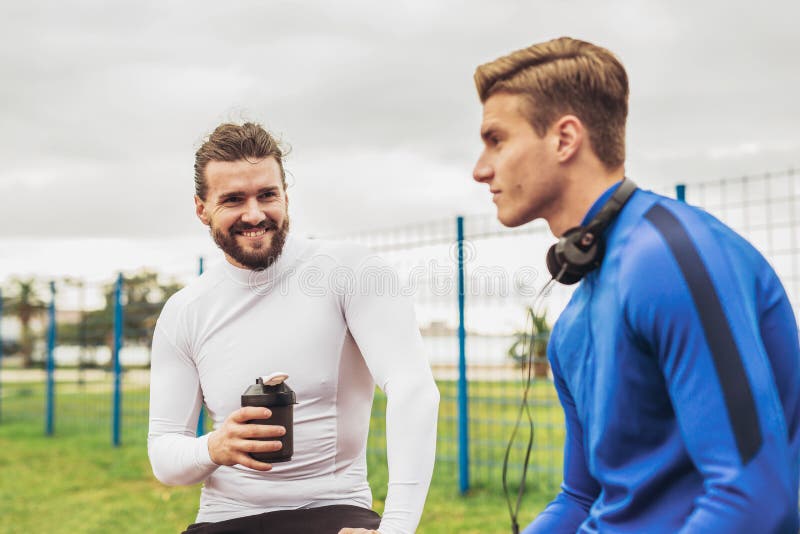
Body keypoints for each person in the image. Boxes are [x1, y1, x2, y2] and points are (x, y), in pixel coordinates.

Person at [472, 37, 800, 533]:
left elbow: (752, 498)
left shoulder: (670, 258)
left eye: (496, 140)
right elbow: (582, 497)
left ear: (565, 139)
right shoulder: (572, 324)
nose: (481, 169)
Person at [148, 122, 440, 534]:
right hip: (226, 517)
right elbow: (164, 456)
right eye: (233, 199)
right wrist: (214, 447)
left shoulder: (350, 271)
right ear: (201, 208)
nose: (254, 214)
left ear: (286, 194)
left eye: (266, 195)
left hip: (332, 508)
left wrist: (396, 529)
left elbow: (414, 390)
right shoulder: (185, 311)